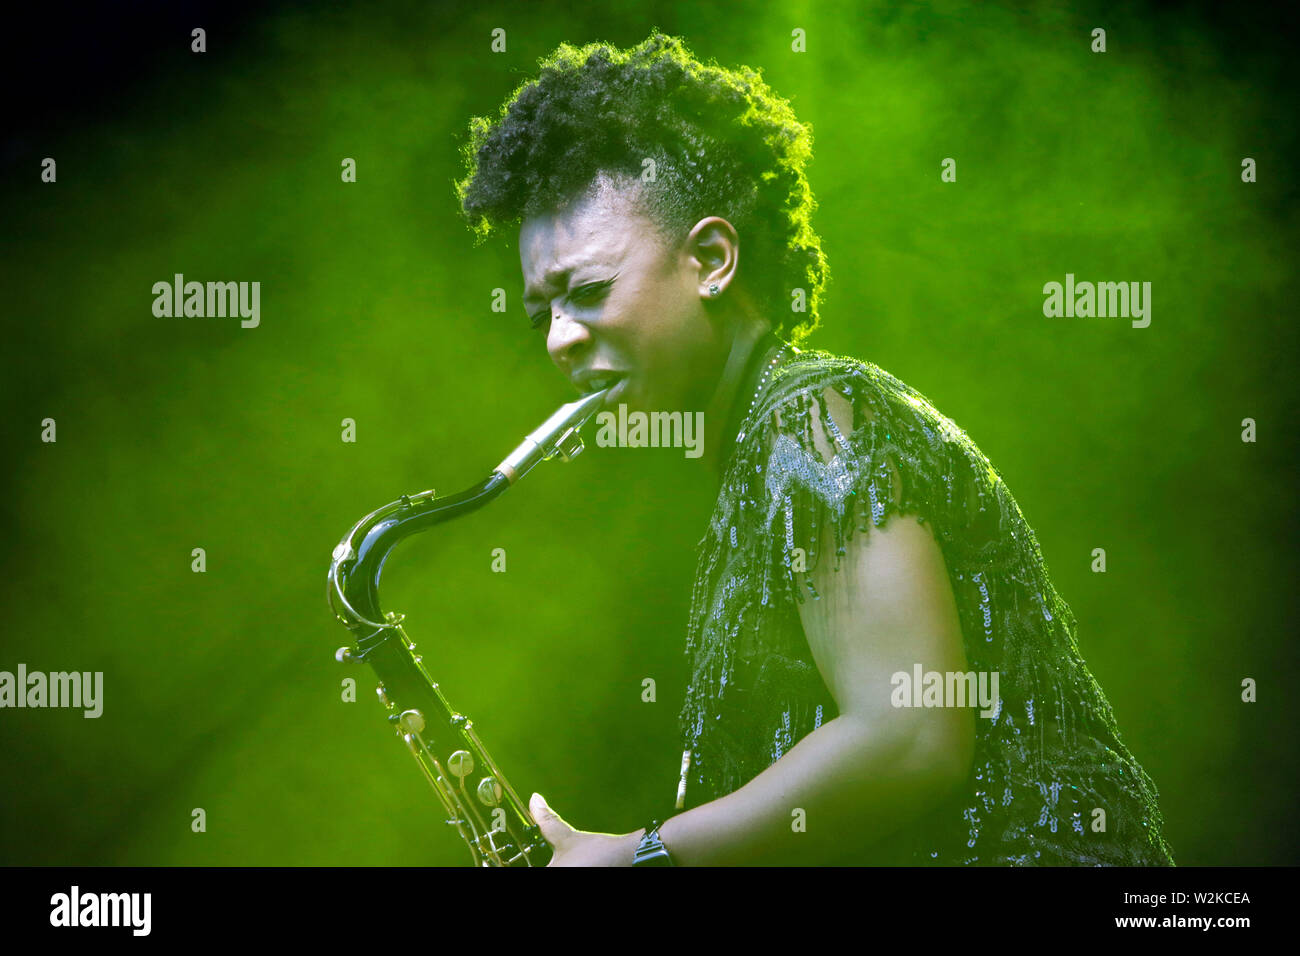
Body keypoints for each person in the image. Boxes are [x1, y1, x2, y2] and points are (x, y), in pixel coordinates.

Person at [454, 31, 1175, 866]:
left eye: (586, 291)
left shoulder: (814, 421)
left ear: (713, 260)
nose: (558, 339)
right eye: (541, 310)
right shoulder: (766, 444)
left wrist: (646, 856)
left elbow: (906, 737)